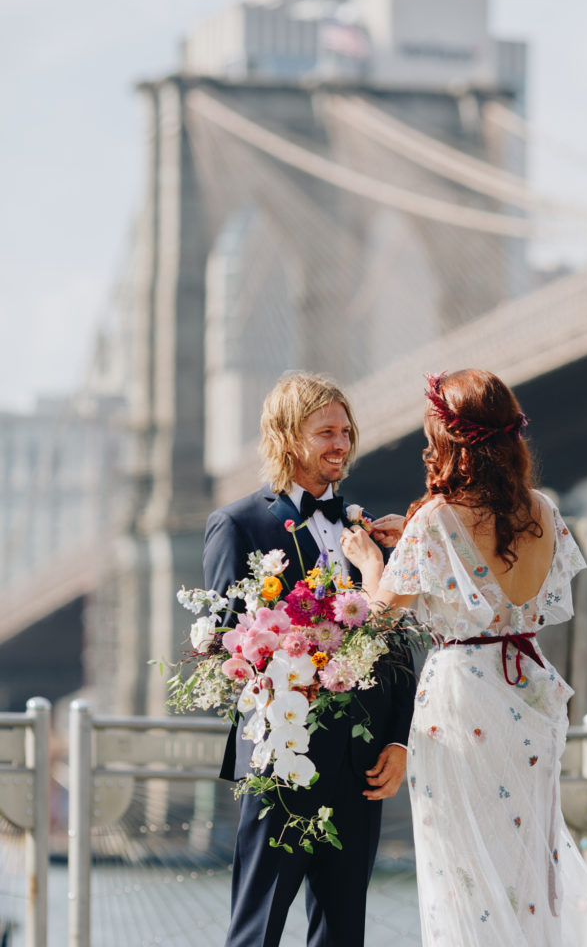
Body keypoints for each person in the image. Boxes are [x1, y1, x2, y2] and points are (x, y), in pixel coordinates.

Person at [341, 368, 587, 946]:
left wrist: (372, 564)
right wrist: (414, 546)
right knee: (525, 862)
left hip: (463, 696)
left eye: (430, 436)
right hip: (531, 693)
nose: (425, 447)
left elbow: (377, 621)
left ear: (450, 442)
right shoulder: (542, 510)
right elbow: (498, 583)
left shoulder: (436, 520)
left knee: (461, 867)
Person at [203, 371, 415, 947]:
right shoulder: (237, 525)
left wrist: (398, 741)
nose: (341, 444)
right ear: (288, 436)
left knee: (343, 934)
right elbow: (227, 647)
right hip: (281, 759)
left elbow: (397, 643)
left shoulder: (365, 533)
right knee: (257, 931)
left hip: (361, 767)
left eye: (346, 431)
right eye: (326, 432)